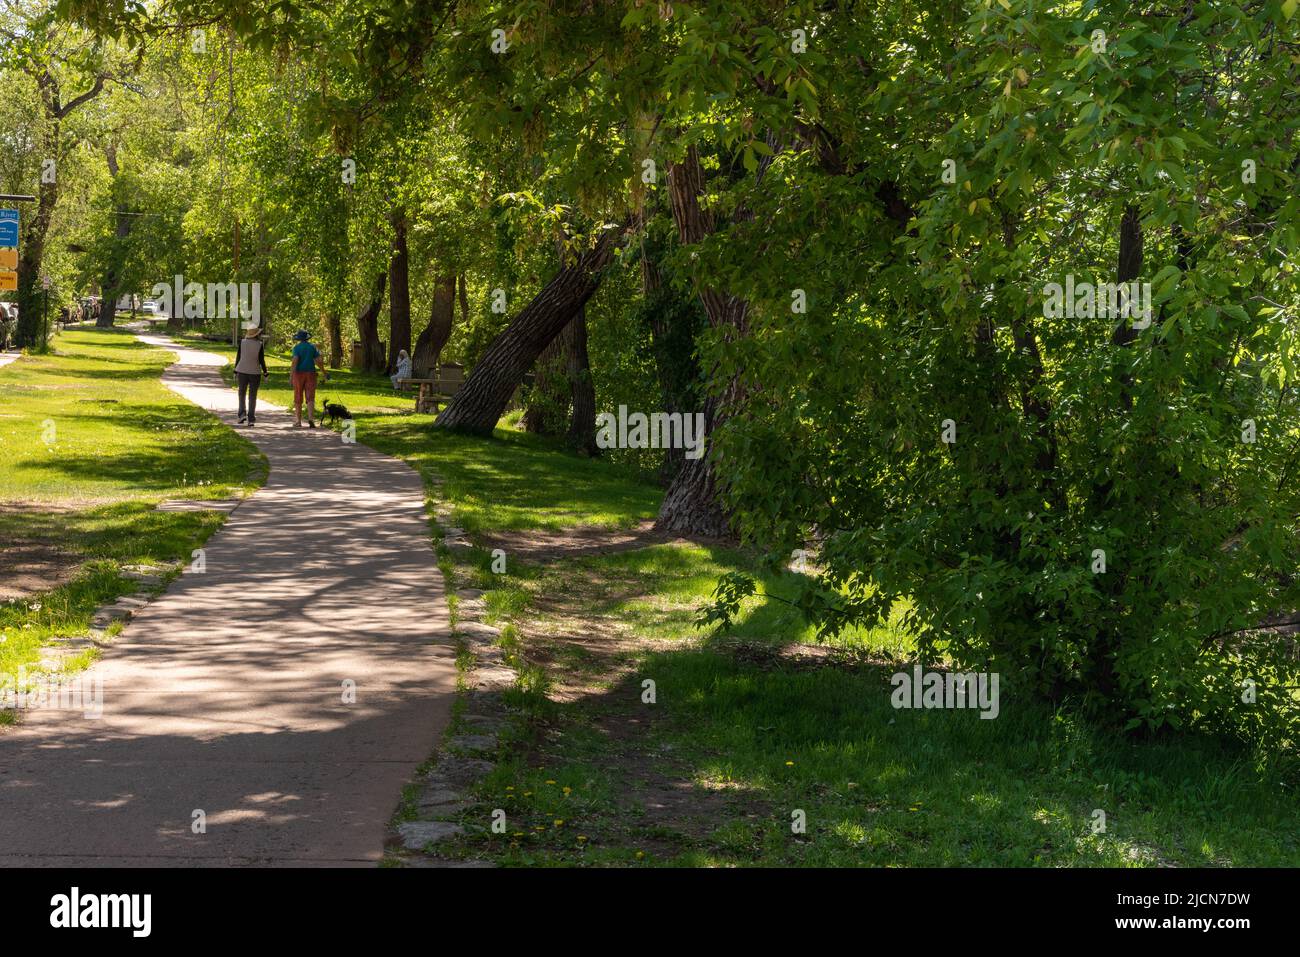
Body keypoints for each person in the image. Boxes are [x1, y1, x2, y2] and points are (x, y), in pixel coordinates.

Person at [290, 328, 328, 428]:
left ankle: (298, 421)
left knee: (298, 396)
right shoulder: (312, 347)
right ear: (307, 338)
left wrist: (291, 376)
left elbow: (295, 361)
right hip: (311, 373)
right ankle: (311, 419)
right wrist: (324, 372)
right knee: (310, 397)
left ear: (299, 338)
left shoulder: (296, 348)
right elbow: (318, 361)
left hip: (299, 374)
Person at [234, 322, 269, 427]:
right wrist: (265, 372)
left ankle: (241, 415)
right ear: (257, 334)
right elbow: (261, 360)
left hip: (242, 371)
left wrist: (235, 371)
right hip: (255, 372)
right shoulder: (259, 344)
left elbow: (238, 357)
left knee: (241, 394)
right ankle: (251, 419)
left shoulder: (242, 342)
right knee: (252, 396)